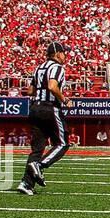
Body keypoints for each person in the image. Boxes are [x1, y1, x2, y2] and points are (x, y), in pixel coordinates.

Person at [16, 43, 72, 195]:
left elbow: (30, 91)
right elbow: (52, 86)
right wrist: (65, 100)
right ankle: (40, 166)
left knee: (37, 149)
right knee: (63, 143)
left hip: (35, 108)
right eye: (63, 53)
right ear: (57, 54)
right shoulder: (57, 68)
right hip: (50, 108)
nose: (65, 56)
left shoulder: (39, 68)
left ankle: (26, 183)